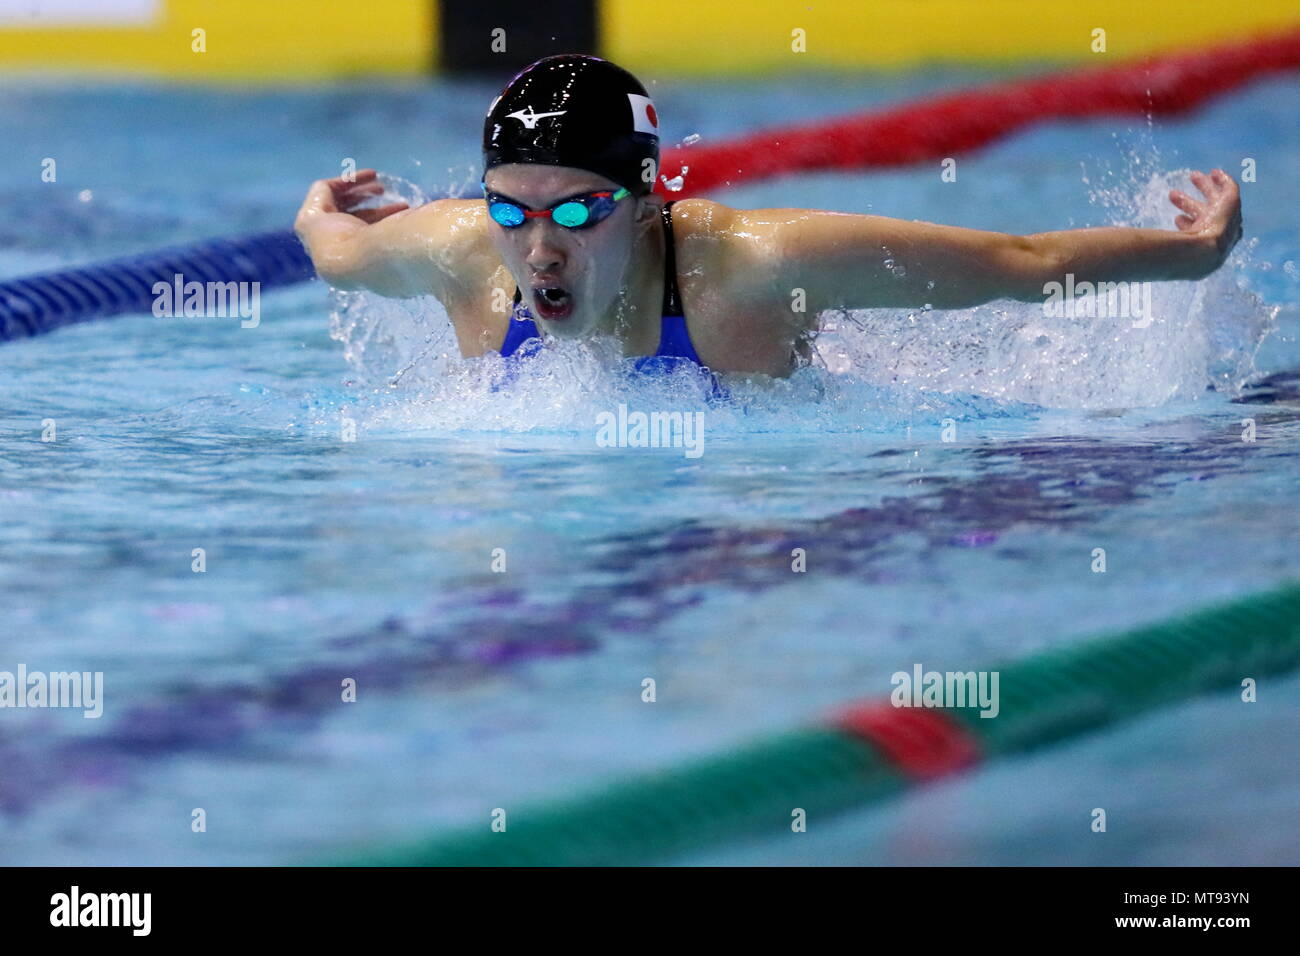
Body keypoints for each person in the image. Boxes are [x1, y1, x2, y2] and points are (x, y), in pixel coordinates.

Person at [294, 53, 1243, 381]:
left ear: (646, 197)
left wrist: (1195, 253)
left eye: (579, 209)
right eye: (511, 208)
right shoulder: (467, 256)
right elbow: (340, 253)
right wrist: (318, 213)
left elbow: (1022, 260)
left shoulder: (751, 269)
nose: (538, 246)